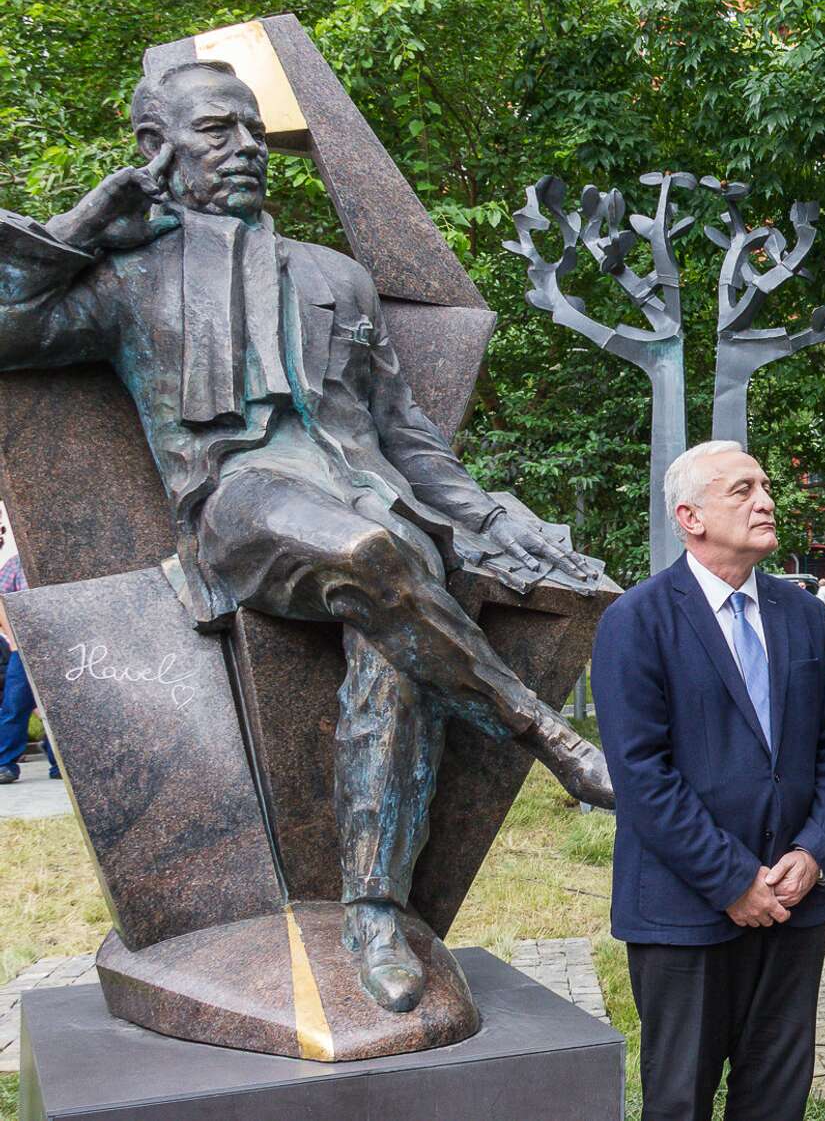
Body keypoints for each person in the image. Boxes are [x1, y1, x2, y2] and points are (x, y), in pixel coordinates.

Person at [0, 60, 611, 1009]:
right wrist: (85, 225)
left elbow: (405, 434)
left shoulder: (334, 277)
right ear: (153, 150)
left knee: (392, 627)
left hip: (367, 498)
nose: (247, 148)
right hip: (239, 506)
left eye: (254, 130)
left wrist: (492, 516)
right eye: (216, 131)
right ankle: (543, 731)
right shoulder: (130, 280)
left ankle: (371, 911)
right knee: (379, 560)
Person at [592, 440, 825, 1121]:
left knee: (776, 1101)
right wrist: (733, 880)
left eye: (765, 486)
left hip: (795, 905)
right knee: (679, 1100)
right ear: (691, 515)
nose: (767, 500)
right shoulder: (637, 621)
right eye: (742, 490)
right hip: (686, 912)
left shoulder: (804, 615)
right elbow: (642, 776)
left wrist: (815, 851)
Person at [0, 545, 47, 784]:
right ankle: (4, 764)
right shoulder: (16, 564)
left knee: (59, 707)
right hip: (24, 648)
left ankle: (61, 765)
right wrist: (13, 639)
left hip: (60, 646)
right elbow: (1, 601)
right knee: (15, 705)